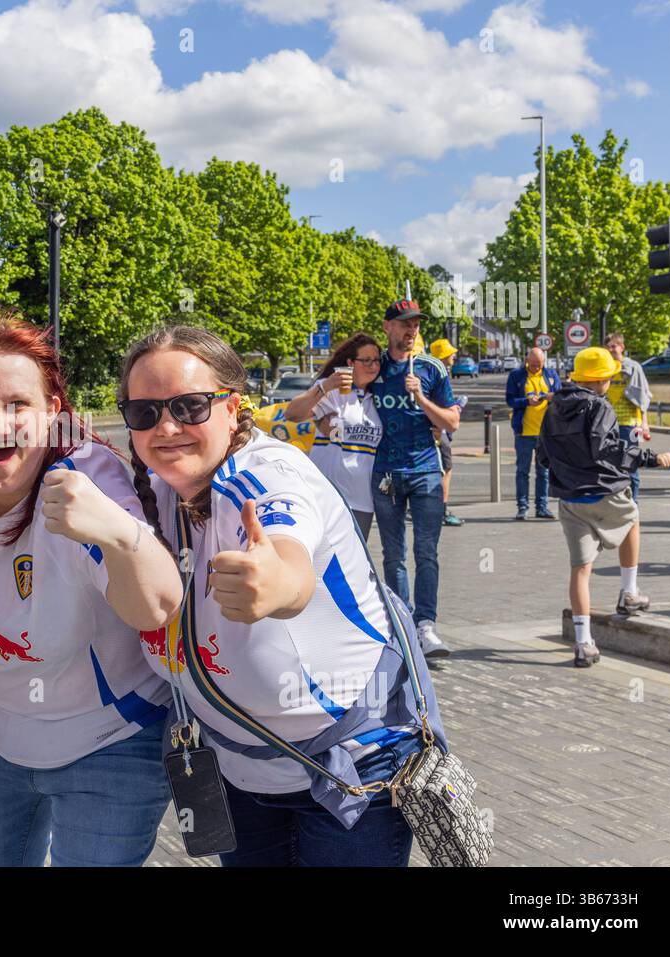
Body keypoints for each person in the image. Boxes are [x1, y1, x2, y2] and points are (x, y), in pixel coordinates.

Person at [119, 324, 444, 867]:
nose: (167, 426)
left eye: (191, 406)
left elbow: (287, 553)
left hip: (351, 776)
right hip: (238, 773)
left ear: (232, 408)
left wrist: (276, 583)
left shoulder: (265, 474)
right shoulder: (154, 489)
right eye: (144, 412)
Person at [0, 316, 180, 867]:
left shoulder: (87, 480)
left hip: (107, 744)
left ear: (53, 411)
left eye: (18, 405)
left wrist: (117, 531)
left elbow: (155, 607)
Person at [535, 347, 670, 665]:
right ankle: (629, 594)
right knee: (633, 519)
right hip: (605, 491)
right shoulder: (598, 406)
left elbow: (543, 456)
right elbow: (607, 450)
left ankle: (584, 643)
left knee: (581, 569)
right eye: (609, 378)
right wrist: (651, 458)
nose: (611, 382)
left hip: (570, 499)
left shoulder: (554, 405)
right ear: (599, 380)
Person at [370, 300, 460, 660]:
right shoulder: (372, 367)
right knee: (394, 555)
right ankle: (400, 620)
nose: (411, 331)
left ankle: (426, 625)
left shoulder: (431, 368)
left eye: (416, 325)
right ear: (388, 326)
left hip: (425, 471)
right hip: (385, 474)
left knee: (426, 553)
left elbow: (450, 423)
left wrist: (420, 396)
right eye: (404, 324)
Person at [282, 333, 384, 538]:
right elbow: (292, 414)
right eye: (366, 360)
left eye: (376, 360)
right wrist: (325, 386)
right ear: (350, 363)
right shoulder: (334, 393)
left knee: (353, 564)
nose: (373, 365)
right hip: (325, 495)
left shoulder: (379, 398)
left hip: (362, 499)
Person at [505, 347, 560, 520]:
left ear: (544, 361)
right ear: (527, 360)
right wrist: (526, 402)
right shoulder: (517, 376)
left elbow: (560, 396)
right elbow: (510, 400)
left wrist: (552, 397)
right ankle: (522, 507)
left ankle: (542, 507)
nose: (536, 367)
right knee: (522, 471)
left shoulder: (551, 375)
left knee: (543, 472)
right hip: (524, 432)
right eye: (533, 364)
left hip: (545, 432)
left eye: (539, 364)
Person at [603, 333, 651, 502]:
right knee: (610, 465)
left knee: (631, 464)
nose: (610, 349)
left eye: (613, 346)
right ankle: (617, 501)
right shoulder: (605, 368)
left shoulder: (633, 367)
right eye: (608, 347)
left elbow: (643, 396)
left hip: (630, 424)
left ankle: (633, 503)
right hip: (608, 424)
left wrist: (645, 423)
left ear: (622, 347)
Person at [426, 338, 467, 527]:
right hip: (438, 430)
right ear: (443, 355)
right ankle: (440, 509)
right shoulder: (437, 375)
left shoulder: (431, 373)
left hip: (438, 428)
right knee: (445, 469)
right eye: (451, 353)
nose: (454, 355)